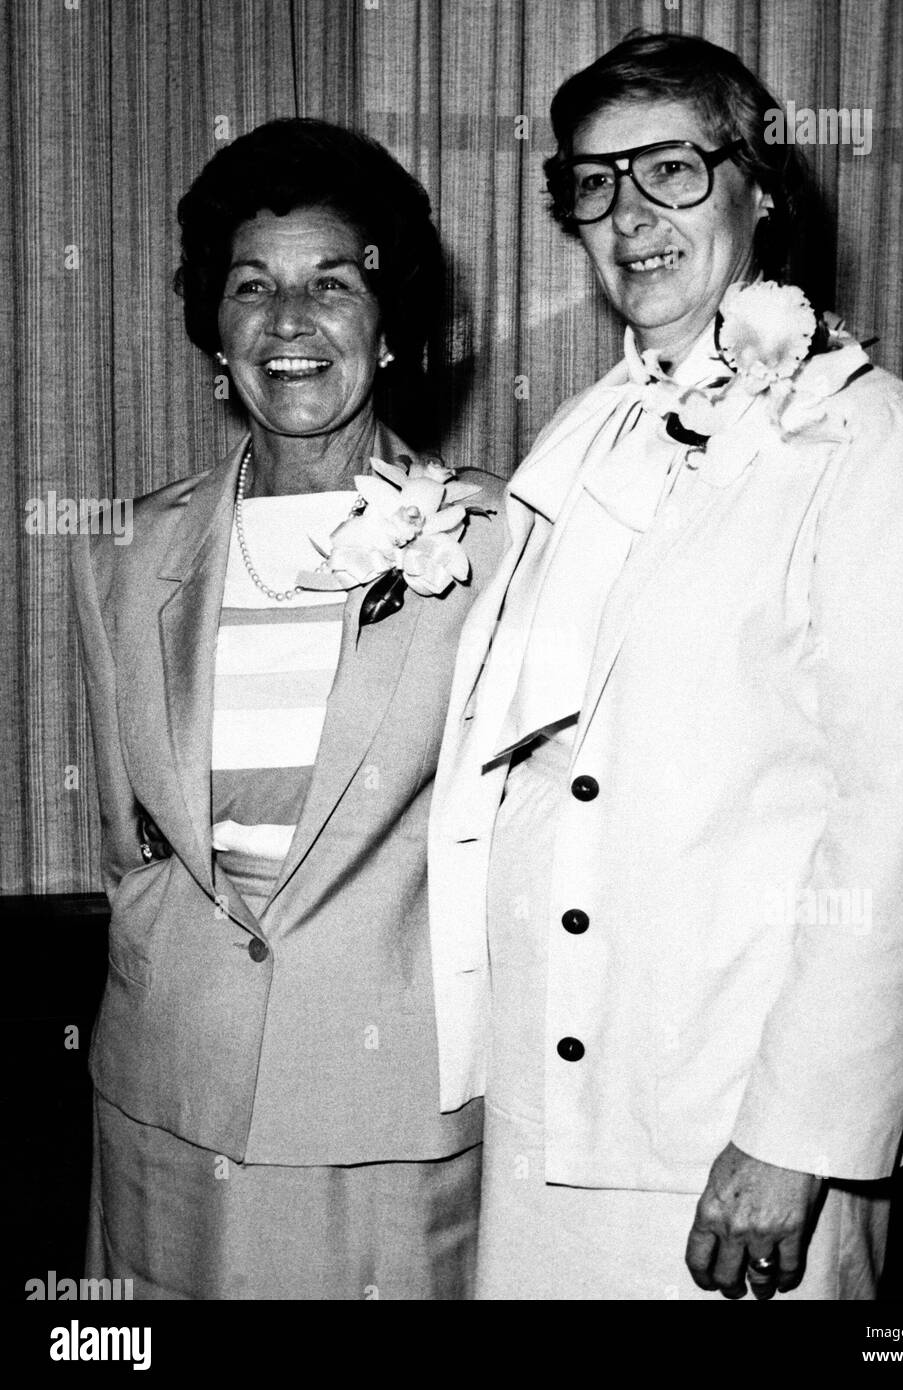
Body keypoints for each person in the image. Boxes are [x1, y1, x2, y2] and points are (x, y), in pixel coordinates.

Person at [428, 34, 903, 1300]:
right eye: (594, 182)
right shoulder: (582, 431)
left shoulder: (864, 435)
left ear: (758, 186)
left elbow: (898, 809)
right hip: (548, 1115)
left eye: (671, 169)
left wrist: (795, 1137)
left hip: (732, 1131)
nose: (631, 216)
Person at [71, 117, 502, 1299]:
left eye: (332, 283)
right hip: (168, 1095)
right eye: (252, 286)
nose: (289, 322)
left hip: (390, 1115)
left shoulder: (499, 544)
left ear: (392, 316)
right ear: (214, 323)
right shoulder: (126, 551)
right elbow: (134, 843)